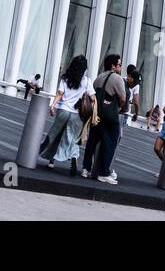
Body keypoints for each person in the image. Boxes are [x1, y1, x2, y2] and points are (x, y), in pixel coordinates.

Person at [40, 54, 91, 174]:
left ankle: (51, 160)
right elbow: (92, 97)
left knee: (56, 134)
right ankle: (73, 157)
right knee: (72, 138)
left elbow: (59, 93)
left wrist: (53, 106)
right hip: (77, 114)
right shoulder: (87, 81)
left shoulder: (65, 78)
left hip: (63, 110)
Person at [81, 54, 127, 184]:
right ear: (113, 66)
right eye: (119, 64)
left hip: (96, 114)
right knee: (110, 142)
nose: (120, 67)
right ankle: (104, 172)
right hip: (110, 116)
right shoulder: (117, 79)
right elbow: (122, 98)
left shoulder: (98, 77)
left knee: (92, 141)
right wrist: (118, 107)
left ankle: (86, 168)